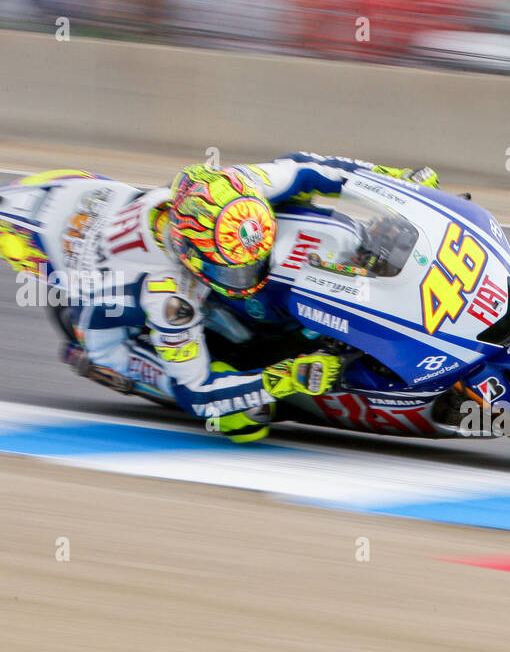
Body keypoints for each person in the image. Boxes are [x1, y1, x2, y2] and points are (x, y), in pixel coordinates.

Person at [74, 151, 438, 442]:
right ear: (193, 258)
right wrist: (286, 378)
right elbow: (196, 391)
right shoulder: (169, 297)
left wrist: (391, 181)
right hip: (111, 336)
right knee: (243, 422)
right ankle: (147, 372)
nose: (256, 270)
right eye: (240, 269)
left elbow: (309, 168)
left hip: (146, 229)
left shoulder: (234, 188)